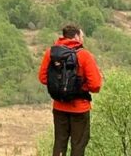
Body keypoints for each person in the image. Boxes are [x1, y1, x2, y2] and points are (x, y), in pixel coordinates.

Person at [39, 23, 102, 156]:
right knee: (78, 145)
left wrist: (60, 87)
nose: (83, 39)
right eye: (82, 36)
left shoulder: (51, 53)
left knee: (60, 143)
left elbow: (43, 78)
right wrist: (81, 87)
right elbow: (96, 85)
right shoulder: (84, 55)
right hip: (80, 108)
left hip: (59, 107)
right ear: (76, 36)